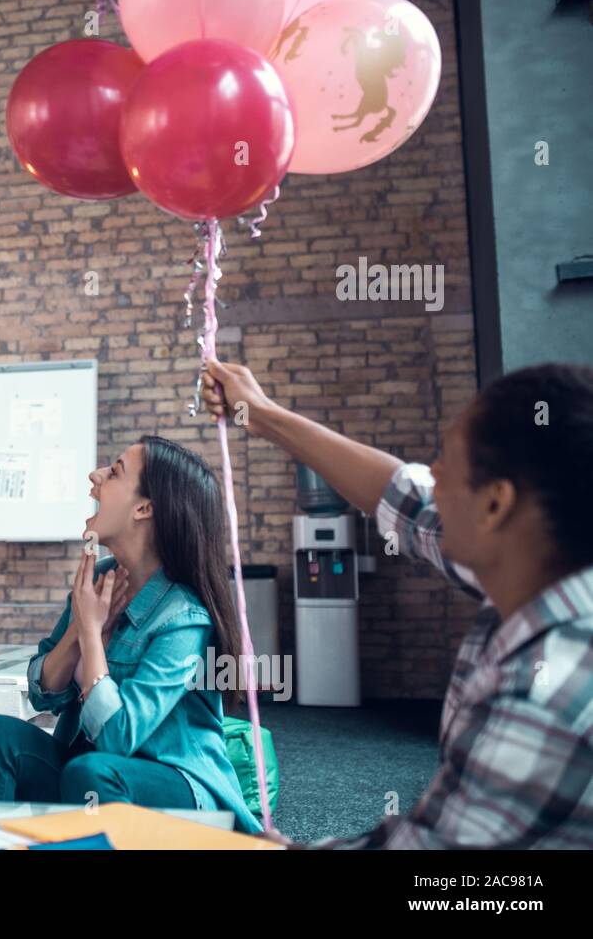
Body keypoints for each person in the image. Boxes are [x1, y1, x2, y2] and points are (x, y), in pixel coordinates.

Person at [201, 356, 593, 848]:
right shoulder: (539, 560)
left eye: (447, 460)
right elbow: (405, 498)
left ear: (495, 505)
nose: (432, 473)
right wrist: (260, 413)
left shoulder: (545, 696)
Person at [0, 436, 264, 834]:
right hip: (88, 778)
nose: (95, 477)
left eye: (114, 472)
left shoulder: (184, 619)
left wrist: (90, 634)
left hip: (177, 796)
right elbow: (43, 692)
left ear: (144, 508)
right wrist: (79, 632)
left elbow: (119, 737)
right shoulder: (99, 580)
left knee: (94, 770)